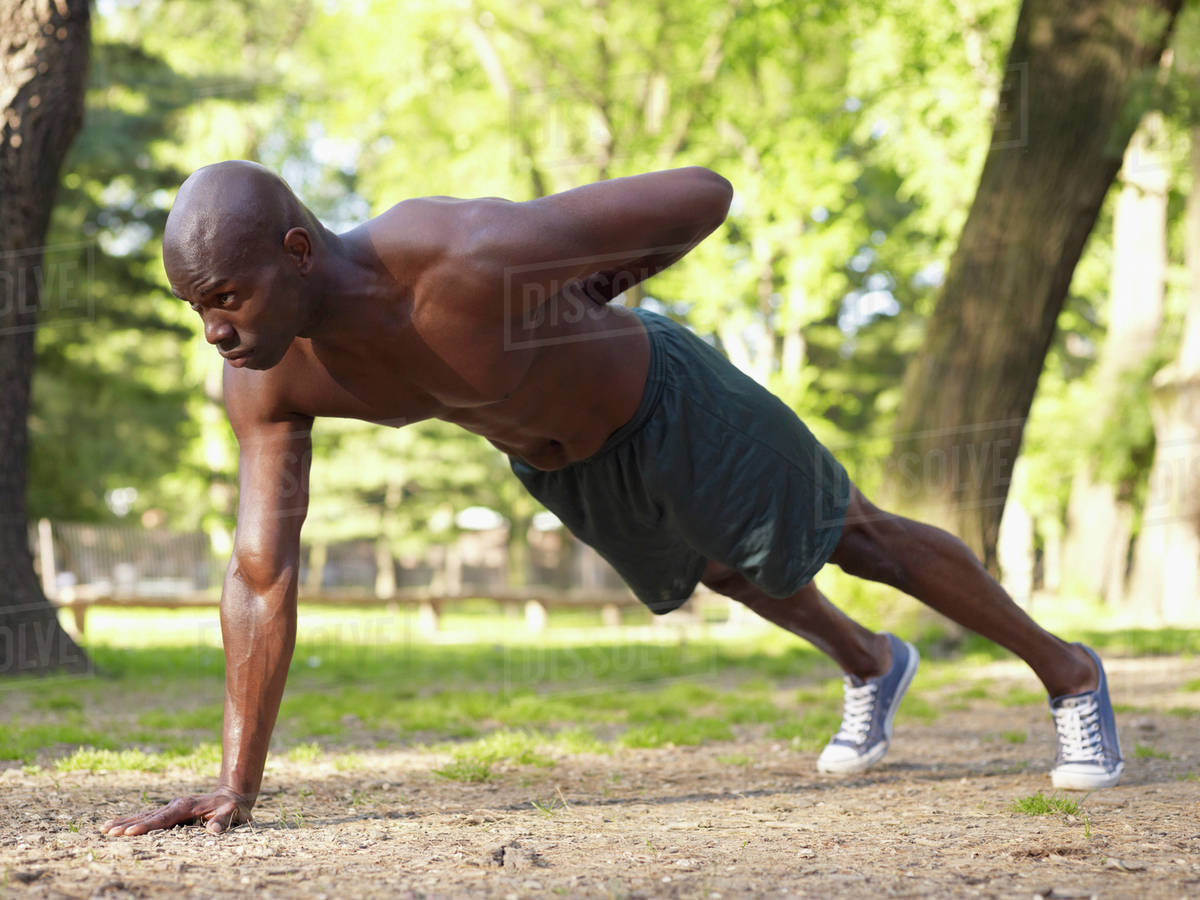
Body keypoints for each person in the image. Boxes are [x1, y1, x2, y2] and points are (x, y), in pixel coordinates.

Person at [101, 161, 1122, 837]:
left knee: (853, 536)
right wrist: (238, 784)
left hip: (667, 396)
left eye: (225, 299)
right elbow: (259, 574)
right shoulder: (269, 382)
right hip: (561, 464)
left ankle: (1071, 677)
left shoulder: (461, 258)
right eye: (196, 310)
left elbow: (702, 193)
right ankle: (872, 662)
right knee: (720, 568)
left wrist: (596, 287)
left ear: (295, 253)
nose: (216, 334)